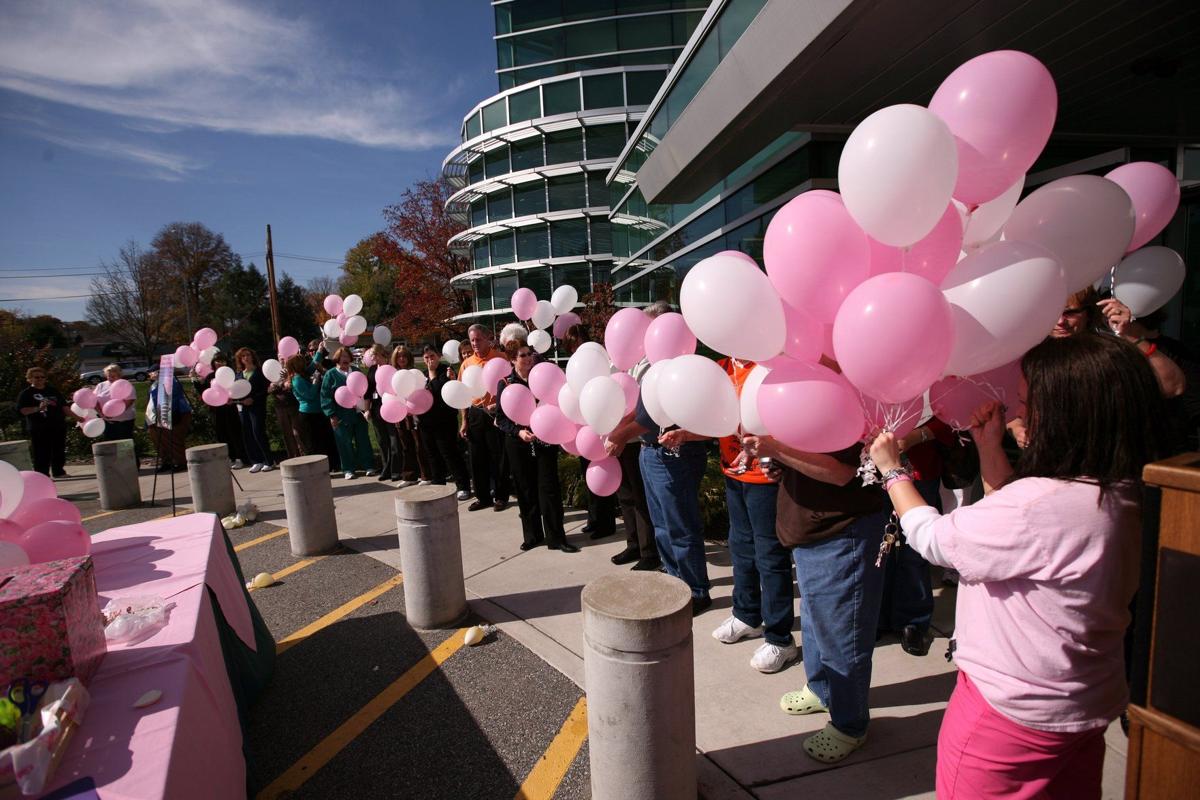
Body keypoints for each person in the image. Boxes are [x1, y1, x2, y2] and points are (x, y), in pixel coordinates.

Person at [869, 333, 1167, 797]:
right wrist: (990, 449)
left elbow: (935, 538)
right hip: (1082, 706)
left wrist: (891, 470)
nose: (1021, 414)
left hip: (1008, 718)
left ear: (1072, 413)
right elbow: (1025, 536)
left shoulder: (1044, 505)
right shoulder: (1123, 492)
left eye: (1029, 403)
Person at [742, 430, 889, 765]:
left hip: (842, 531)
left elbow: (840, 472)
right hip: (813, 530)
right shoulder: (811, 396)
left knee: (842, 635)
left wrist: (775, 447)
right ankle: (822, 689)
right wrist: (781, 461)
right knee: (814, 619)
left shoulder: (845, 401)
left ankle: (850, 725)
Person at [711, 357, 797, 673]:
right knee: (741, 547)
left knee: (770, 555)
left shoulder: (771, 368)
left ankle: (780, 639)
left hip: (766, 479)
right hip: (733, 473)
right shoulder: (721, 367)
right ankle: (747, 615)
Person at [605, 394, 712, 614]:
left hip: (674, 455)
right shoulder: (654, 367)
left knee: (680, 526)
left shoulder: (674, 367)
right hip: (650, 451)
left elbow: (652, 419)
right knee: (661, 524)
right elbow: (643, 410)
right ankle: (675, 579)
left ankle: (696, 591)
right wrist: (620, 427)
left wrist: (620, 435)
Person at [495, 344, 578, 553]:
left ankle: (557, 538)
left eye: (530, 354)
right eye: (523, 355)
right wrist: (518, 431)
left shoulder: (542, 376)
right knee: (525, 489)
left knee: (549, 489)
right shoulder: (505, 384)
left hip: (544, 439)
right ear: (513, 360)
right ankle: (532, 535)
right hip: (518, 442)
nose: (528, 358)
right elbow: (501, 419)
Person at [605, 300, 668, 570]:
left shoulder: (658, 361)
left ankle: (649, 552)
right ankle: (633, 543)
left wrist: (620, 430)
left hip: (637, 434)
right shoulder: (633, 356)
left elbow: (644, 406)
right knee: (626, 494)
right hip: (621, 434)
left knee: (642, 498)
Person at [562, 323, 617, 541]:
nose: (576, 347)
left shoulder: (597, 359)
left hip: (600, 427)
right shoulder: (574, 364)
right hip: (583, 429)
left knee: (602, 474)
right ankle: (594, 519)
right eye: (572, 344)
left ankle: (606, 523)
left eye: (577, 342)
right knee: (589, 475)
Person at [459, 324, 510, 511]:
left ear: (488, 338)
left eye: (478, 339)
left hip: (496, 412)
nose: (475, 343)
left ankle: (501, 496)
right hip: (475, 413)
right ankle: (483, 497)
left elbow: (510, 387)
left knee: (498, 457)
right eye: (472, 340)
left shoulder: (500, 358)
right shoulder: (466, 364)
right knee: (476, 457)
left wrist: (498, 403)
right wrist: (464, 420)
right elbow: (462, 393)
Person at [417, 345, 471, 500]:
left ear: (438, 356)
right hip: (426, 421)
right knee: (432, 454)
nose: (429, 360)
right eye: (426, 357)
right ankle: (437, 483)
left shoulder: (446, 371)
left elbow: (438, 390)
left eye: (432, 356)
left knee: (449, 453)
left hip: (444, 421)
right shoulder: (421, 374)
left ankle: (463, 486)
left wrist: (433, 373)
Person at [320, 347, 375, 479]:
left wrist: (366, 408)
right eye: (342, 356)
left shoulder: (356, 371)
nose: (344, 359)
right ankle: (348, 469)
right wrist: (331, 414)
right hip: (340, 415)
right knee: (344, 443)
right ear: (337, 359)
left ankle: (368, 466)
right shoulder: (331, 374)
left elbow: (365, 389)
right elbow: (325, 396)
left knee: (363, 440)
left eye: (346, 356)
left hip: (358, 413)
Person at [287, 354, 340, 472]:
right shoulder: (297, 380)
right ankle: (317, 468)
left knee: (325, 440)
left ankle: (332, 465)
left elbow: (313, 365)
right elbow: (310, 395)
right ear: (297, 365)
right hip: (308, 415)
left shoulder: (302, 375)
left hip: (317, 412)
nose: (305, 363)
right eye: (302, 362)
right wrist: (316, 383)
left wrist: (320, 352)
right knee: (314, 443)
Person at [17, 367, 70, 477]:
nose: (40, 379)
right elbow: (23, 410)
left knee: (59, 450)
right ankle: (42, 475)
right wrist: (38, 408)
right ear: (30, 379)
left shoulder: (52, 390)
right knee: (41, 452)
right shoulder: (26, 393)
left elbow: (64, 406)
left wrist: (79, 418)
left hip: (57, 425)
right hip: (39, 428)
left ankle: (58, 471)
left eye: (42, 377)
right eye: (36, 377)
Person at [198, 352, 248, 468]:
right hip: (216, 410)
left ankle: (240, 457)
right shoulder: (210, 377)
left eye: (222, 361)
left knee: (234, 433)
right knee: (221, 434)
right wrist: (196, 382)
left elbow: (236, 389)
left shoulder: (231, 373)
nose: (220, 363)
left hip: (229, 408)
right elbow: (205, 393)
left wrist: (232, 398)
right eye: (217, 361)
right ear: (213, 363)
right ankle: (230, 457)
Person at [390, 346, 430, 486]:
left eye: (404, 356)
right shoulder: (392, 374)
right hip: (400, 415)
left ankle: (426, 475)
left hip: (415, 414)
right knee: (405, 446)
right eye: (399, 356)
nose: (402, 358)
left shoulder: (415, 373)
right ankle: (409, 477)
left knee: (419, 445)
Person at [233, 348, 275, 473]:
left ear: (252, 356)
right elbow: (237, 392)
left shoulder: (260, 372)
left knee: (258, 432)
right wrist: (236, 401)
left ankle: (269, 461)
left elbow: (265, 390)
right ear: (240, 359)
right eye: (243, 356)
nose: (246, 358)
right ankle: (256, 461)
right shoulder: (239, 375)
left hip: (257, 407)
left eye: (248, 355)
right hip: (243, 408)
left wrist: (254, 398)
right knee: (247, 434)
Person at [366, 344, 401, 482]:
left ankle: (396, 471)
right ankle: (386, 469)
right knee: (382, 440)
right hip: (376, 409)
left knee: (394, 440)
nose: (372, 357)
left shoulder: (392, 368)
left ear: (381, 354)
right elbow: (367, 392)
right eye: (372, 355)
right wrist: (367, 409)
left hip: (391, 407)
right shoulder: (372, 370)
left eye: (374, 354)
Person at [146, 370, 192, 472]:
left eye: (154, 371)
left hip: (173, 414)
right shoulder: (153, 385)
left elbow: (173, 396)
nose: (151, 374)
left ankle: (181, 462)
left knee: (173, 440)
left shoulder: (171, 382)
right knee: (159, 442)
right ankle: (166, 461)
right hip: (154, 417)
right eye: (150, 372)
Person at [268, 361, 303, 460]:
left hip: (294, 405)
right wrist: (276, 386)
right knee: (286, 433)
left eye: (284, 358)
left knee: (298, 432)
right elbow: (269, 390)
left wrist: (287, 380)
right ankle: (292, 456)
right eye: (280, 357)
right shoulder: (273, 371)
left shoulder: (293, 370)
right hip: (280, 407)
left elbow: (294, 386)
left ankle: (304, 455)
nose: (283, 360)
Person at [93, 364, 136, 444]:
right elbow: (94, 401)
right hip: (106, 420)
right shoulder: (101, 385)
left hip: (124, 421)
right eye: (108, 376)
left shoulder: (126, 385)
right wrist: (101, 414)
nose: (110, 378)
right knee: (110, 444)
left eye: (113, 376)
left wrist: (114, 414)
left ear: (119, 375)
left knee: (125, 445)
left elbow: (130, 401)